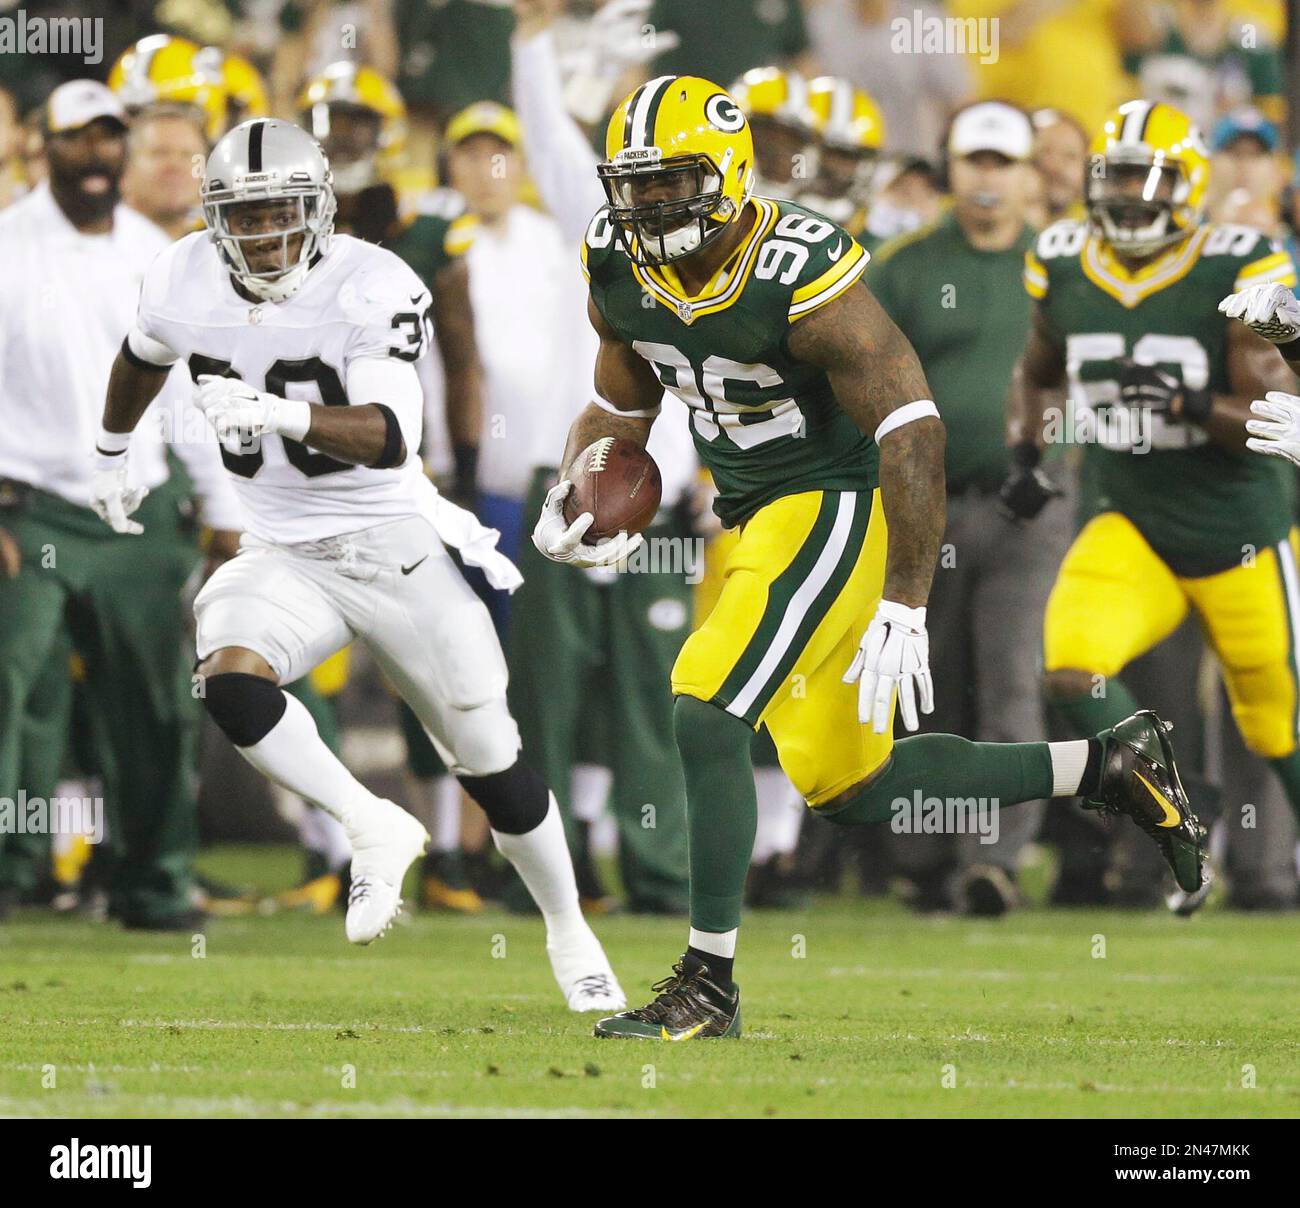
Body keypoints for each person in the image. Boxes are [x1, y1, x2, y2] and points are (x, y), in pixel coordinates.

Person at [533, 76, 1207, 1040]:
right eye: (632, 186)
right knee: (856, 787)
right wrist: (582, 478)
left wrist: (906, 600)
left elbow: (912, 426)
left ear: (725, 173)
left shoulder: (795, 268)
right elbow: (623, 403)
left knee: (707, 703)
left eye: (669, 183)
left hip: (841, 500)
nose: (646, 207)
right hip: (752, 509)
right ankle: (1109, 764)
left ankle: (707, 983)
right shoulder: (614, 258)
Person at [93, 117, 625, 1013]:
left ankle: (568, 927)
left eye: (282, 213)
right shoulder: (181, 273)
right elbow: (141, 356)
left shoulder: (371, 283)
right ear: (216, 215)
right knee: (227, 671)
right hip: (284, 552)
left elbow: (390, 437)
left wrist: (278, 416)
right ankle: (371, 821)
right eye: (246, 216)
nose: (265, 234)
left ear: (322, 208)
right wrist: (111, 452)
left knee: (491, 758)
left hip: (394, 546)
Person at [1012, 100, 1300, 916]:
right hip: (1131, 520)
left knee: (1277, 727)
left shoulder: (1240, 264)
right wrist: (1027, 453)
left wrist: (1191, 408)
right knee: (1072, 664)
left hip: (1236, 533)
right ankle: (1172, 805)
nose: (1129, 193)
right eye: (1116, 174)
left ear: (1190, 181)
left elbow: (1280, 421)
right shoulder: (1064, 257)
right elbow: (1037, 370)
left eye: (1149, 175)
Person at [0, 81, 240, 929]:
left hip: (135, 514)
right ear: (41, 148)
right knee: (8, 684)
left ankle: (154, 882)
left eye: (109, 139)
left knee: (153, 706)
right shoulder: (7, 246)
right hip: (26, 508)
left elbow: (189, 393)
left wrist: (220, 506)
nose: (95, 156)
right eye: (77, 140)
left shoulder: (155, 254)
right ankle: (15, 868)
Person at [867, 102, 1071, 915]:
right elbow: (856, 377)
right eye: (974, 161)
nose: (988, 178)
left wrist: (1055, 457)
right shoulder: (904, 264)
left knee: (1012, 680)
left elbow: (1087, 370)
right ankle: (922, 856)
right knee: (924, 680)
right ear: (951, 167)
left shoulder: (1059, 261)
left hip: (1032, 504)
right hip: (923, 508)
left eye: (1003, 163)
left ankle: (995, 861)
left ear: (1029, 176)